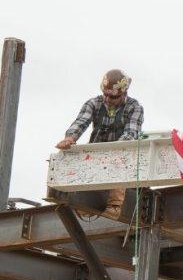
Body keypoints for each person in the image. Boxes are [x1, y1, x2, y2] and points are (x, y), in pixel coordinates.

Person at [56, 69, 144, 218]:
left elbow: (131, 133)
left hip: (119, 154)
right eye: (105, 95)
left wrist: (113, 151)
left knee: (121, 160)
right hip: (95, 154)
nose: (108, 99)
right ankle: (81, 202)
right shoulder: (94, 103)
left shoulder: (134, 107)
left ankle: (114, 206)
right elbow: (81, 121)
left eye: (113, 97)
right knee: (78, 160)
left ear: (124, 93)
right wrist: (70, 138)